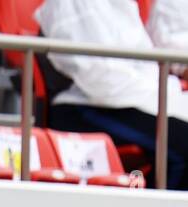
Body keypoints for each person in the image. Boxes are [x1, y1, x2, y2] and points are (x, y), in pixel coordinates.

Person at [37, 0, 188, 189]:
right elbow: (99, 79)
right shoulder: (74, 4)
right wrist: (156, 95)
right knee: (183, 144)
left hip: (129, 99)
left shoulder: (122, 5)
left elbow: (142, 70)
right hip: (87, 106)